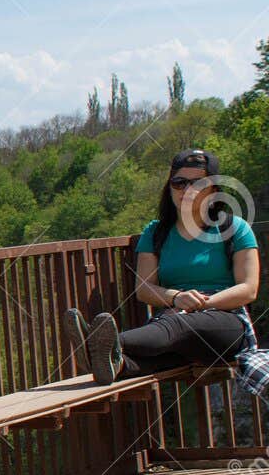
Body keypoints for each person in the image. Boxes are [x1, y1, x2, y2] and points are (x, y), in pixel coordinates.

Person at [64, 149, 259, 385]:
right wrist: (176, 297)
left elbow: (249, 289)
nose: (186, 190)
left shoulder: (234, 228)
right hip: (174, 318)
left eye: (197, 183)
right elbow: (144, 288)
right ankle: (116, 363)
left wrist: (203, 303)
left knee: (178, 325)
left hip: (225, 321)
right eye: (179, 182)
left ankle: (99, 343)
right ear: (169, 188)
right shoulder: (156, 232)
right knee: (166, 347)